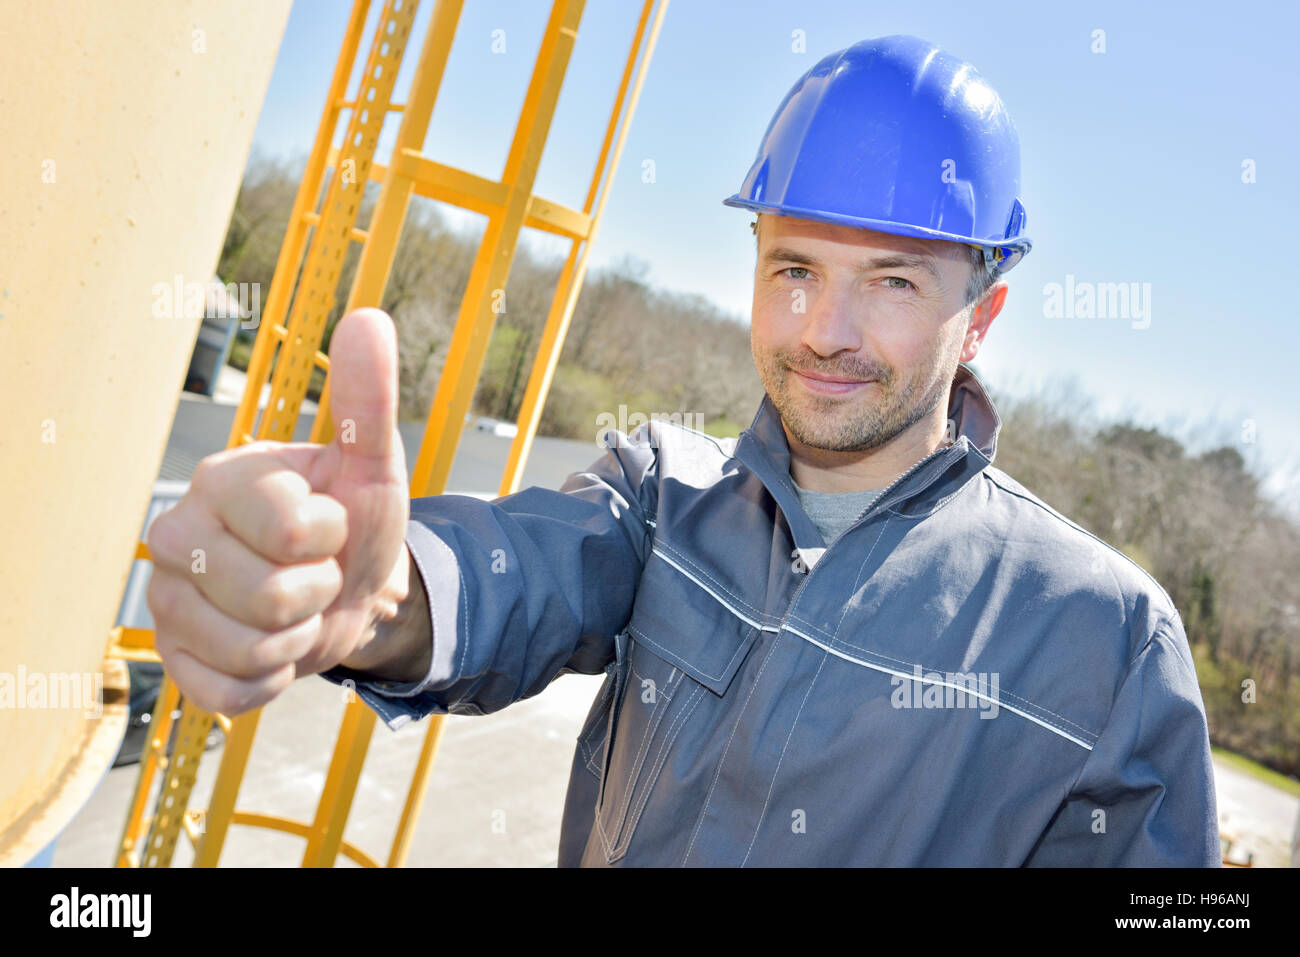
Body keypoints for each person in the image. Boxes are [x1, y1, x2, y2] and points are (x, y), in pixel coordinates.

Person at [148, 35, 1220, 866]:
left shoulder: (1105, 638)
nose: (823, 330)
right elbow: (524, 570)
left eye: (892, 280)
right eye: (794, 267)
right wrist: (382, 597)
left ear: (980, 315)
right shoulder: (664, 495)